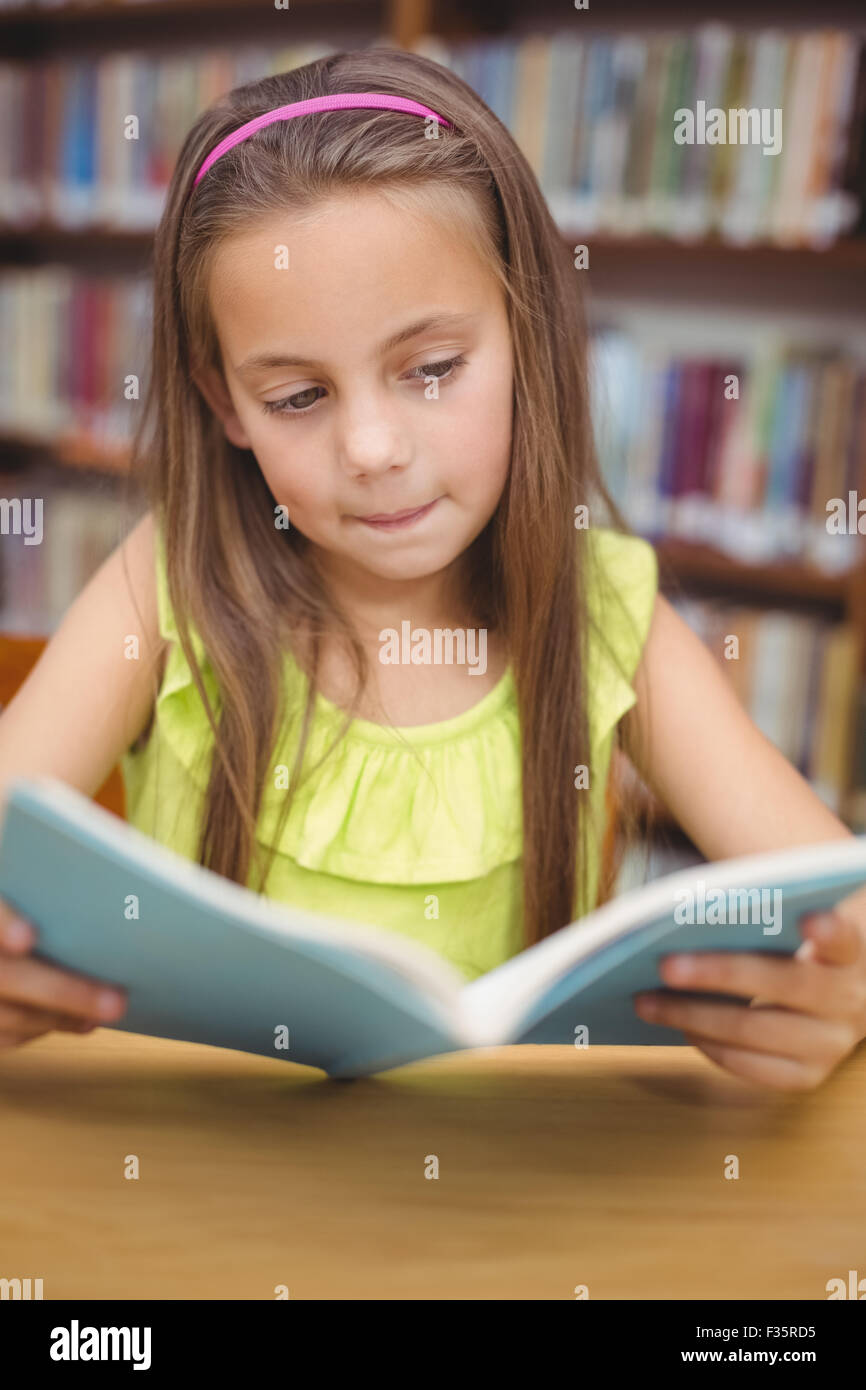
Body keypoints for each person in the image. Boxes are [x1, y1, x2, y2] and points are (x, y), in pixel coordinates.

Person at [1, 49, 864, 1090]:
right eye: (296, 398)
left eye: (430, 370)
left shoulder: (606, 612)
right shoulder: (164, 582)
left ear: (527, 337)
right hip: (203, 1200)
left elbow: (841, 914)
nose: (371, 448)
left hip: (506, 1211)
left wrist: (839, 999)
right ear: (223, 404)